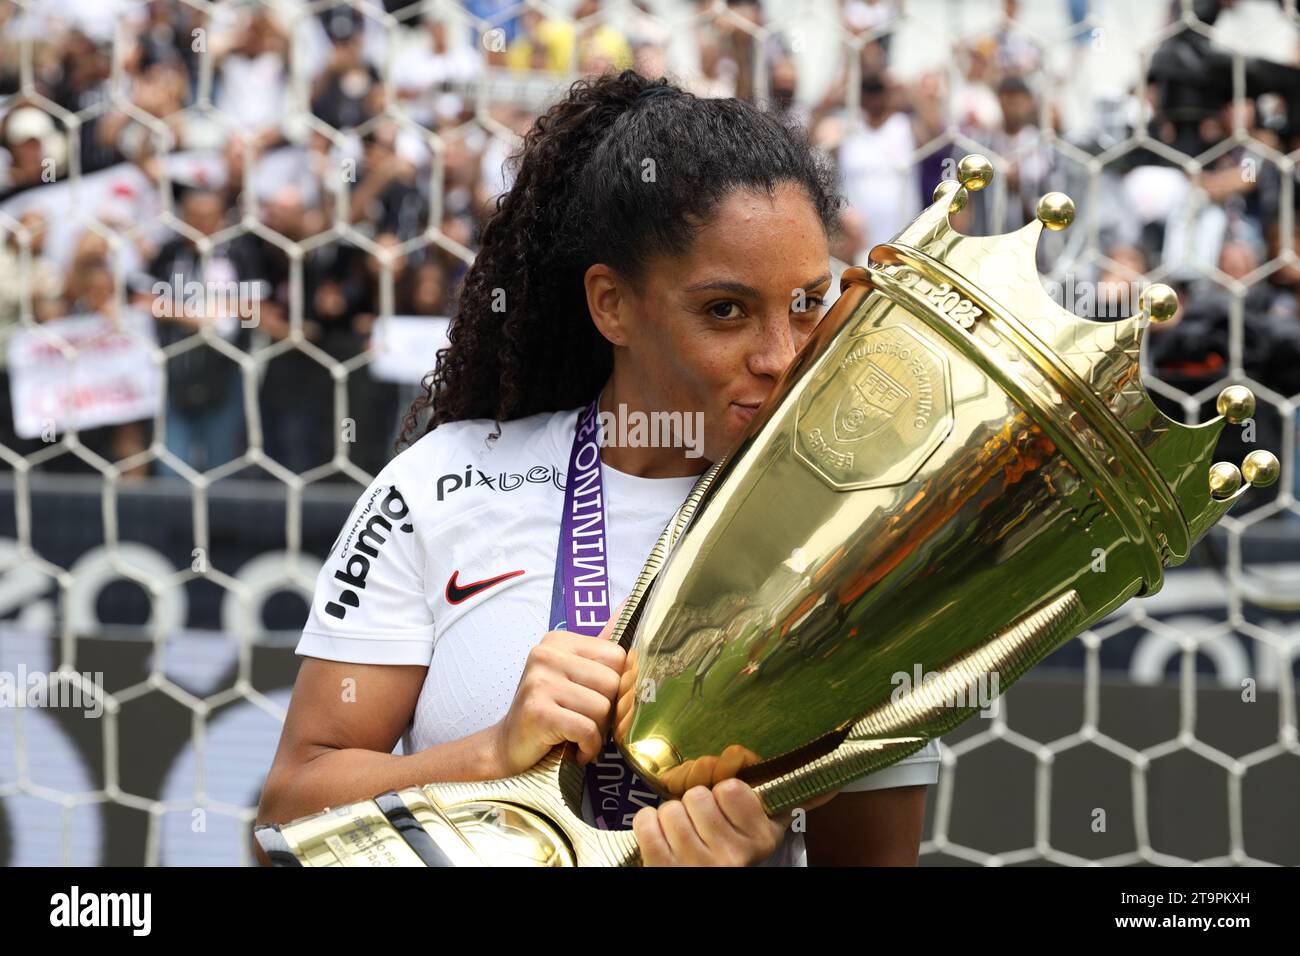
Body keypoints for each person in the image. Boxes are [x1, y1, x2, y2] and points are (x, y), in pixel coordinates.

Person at [256, 69, 939, 867]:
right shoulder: (442, 482)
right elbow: (285, 817)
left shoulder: (857, 538)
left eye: (805, 305)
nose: (780, 357)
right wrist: (491, 756)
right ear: (611, 304)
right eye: (725, 310)